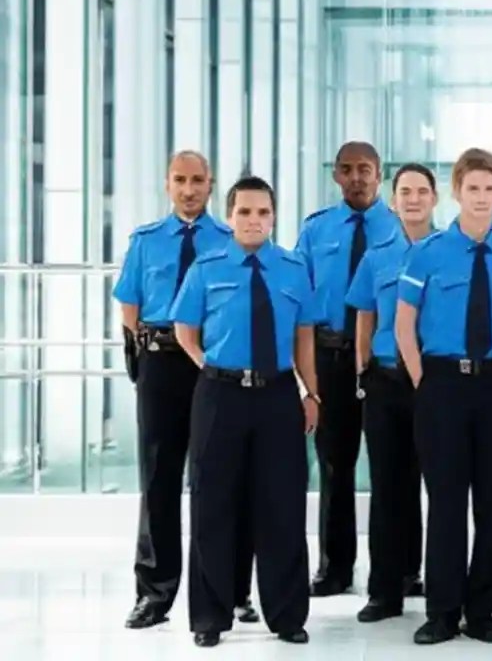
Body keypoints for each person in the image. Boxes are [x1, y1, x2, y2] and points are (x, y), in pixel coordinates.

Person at [171, 175, 319, 647]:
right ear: (230, 216)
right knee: (213, 506)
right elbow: (184, 330)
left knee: (282, 506)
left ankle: (287, 615)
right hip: (221, 396)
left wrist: (311, 393)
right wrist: (210, 367)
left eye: (263, 213)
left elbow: (304, 338)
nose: (254, 220)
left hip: (277, 396)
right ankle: (209, 617)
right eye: (244, 212)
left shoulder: (293, 269)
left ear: (273, 217)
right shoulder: (207, 267)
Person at [113, 150, 258, 630]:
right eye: (180, 180)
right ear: (167, 184)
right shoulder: (146, 242)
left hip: (213, 367)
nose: (189, 189)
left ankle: (232, 590)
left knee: (223, 479)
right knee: (159, 477)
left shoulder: (230, 238)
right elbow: (129, 307)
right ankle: (155, 593)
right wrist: (145, 357)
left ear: (211, 185)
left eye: (198, 180)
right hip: (161, 366)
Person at [395, 147, 492, 645]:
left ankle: (482, 609)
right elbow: (404, 323)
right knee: (447, 502)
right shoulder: (428, 252)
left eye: (490, 189)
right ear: (456, 192)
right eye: (472, 188)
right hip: (443, 385)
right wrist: (422, 382)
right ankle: (442, 610)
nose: (481, 198)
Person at [294, 141, 402, 597]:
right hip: (331, 356)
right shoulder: (317, 230)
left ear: (380, 175)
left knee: (393, 468)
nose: (357, 177)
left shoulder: (401, 228)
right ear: (336, 175)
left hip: (383, 363)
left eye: (366, 169)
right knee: (334, 465)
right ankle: (334, 567)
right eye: (347, 169)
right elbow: (298, 294)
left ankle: (399, 569)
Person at [344, 163, 436, 622]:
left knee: (438, 484)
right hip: (384, 380)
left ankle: (424, 577)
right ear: (394, 199)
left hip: (434, 383)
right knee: (387, 486)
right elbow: (364, 314)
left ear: (435, 199)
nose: (413, 199)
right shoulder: (378, 254)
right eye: (405, 191)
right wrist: (363, 365)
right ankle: (385, 590)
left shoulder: (448, 251)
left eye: (422, 191)